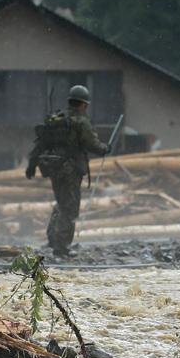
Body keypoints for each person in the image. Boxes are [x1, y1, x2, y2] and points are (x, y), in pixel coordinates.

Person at [27, 85, 109, 257]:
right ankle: (62, 247)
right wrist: (105, 148)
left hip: (54, 167)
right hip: (71, 169)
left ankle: (53, 238)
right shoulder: (80, 121)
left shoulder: (56, 119)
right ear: (84, 104)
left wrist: (32, 164)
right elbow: (91, 144)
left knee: (61, 202)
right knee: (70, 207)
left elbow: (40, 143)